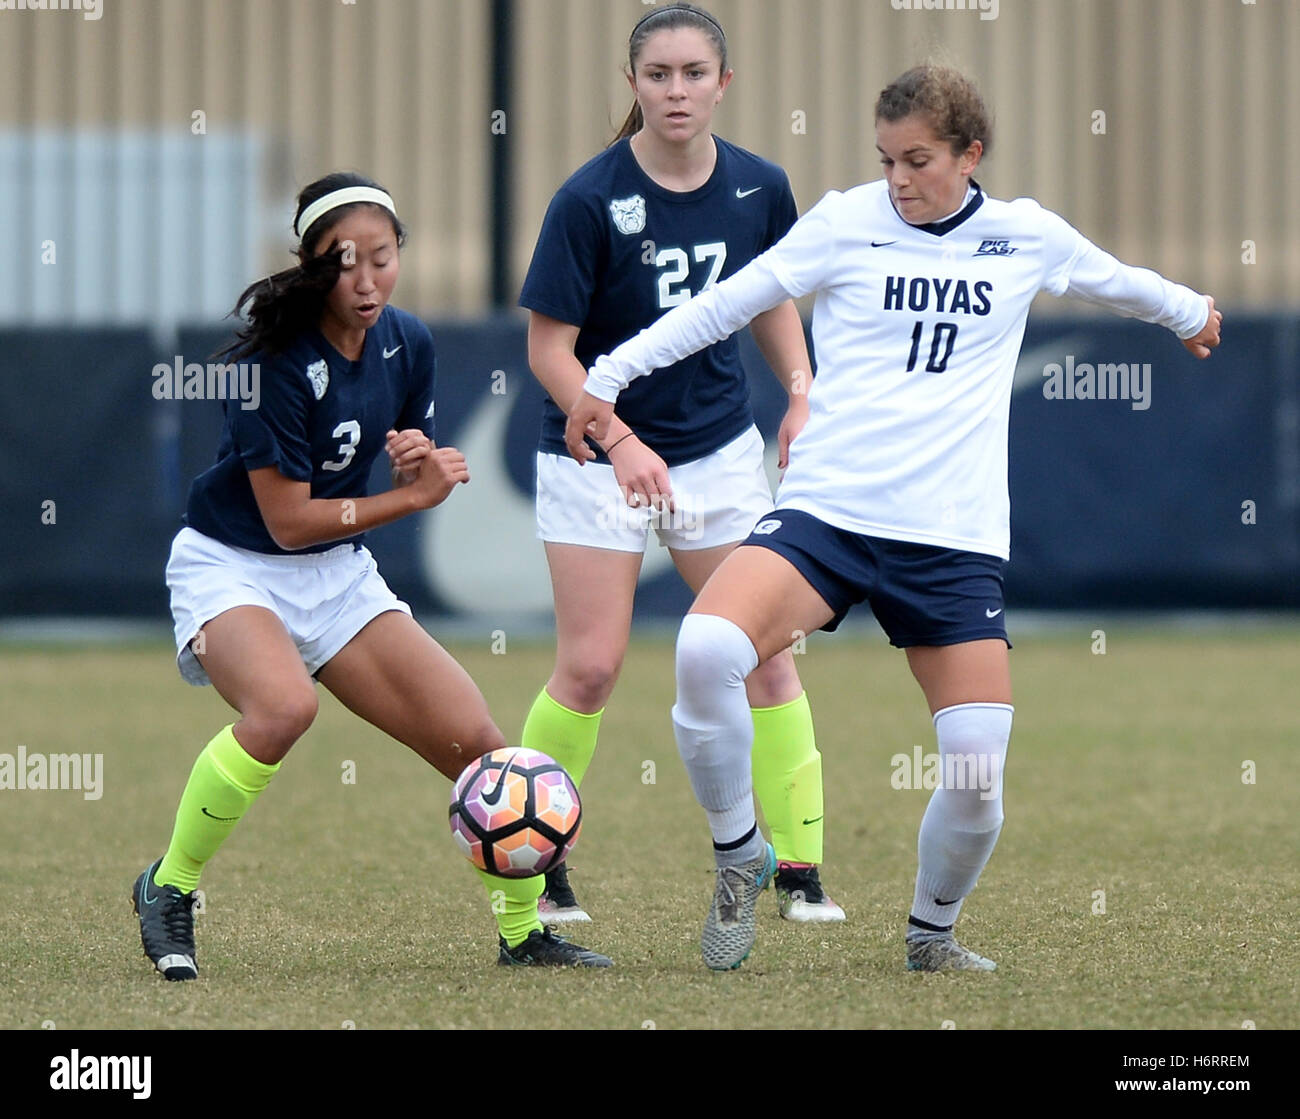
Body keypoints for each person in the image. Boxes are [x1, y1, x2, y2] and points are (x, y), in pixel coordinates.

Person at [567, 64, 1222, 971]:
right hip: (829, 516)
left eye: (918, 161)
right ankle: (738, 853)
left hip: (952, 541)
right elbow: (722, 306)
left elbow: (1117, 281)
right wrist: (606, 379)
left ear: (971, 155)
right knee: (704, 648)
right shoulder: (844, 222)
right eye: (887, 160)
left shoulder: (1021, 236)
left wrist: (1190, 311)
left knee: (976, 771)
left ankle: (931, 933)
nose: (899, 180)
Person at [133, 171, 609, 980]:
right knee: (284, 708)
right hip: (234, 567)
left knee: (481, 747)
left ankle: (525, 934)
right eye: (343, 262)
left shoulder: (407, 341)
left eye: (382, 258)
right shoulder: (271, 364)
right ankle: (167, 887)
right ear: (312, 265)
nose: (366, 279)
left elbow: (403, 446)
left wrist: (416, 459)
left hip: (337, 575)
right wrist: (410, 496)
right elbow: (287, 520)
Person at [499, 1, 845, 959]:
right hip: (594, 457)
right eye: (659, 75)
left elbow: (770, 300)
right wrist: (617, 439)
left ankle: (800, 871)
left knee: (764, 652)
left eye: (695, 73)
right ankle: (541, 852)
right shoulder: (588, 198)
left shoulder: (760, 187)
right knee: (593, 665)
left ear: (723, 84)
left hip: (717, 453)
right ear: (633, 85)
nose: (678, 90)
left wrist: (800, 391)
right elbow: (549, 352)